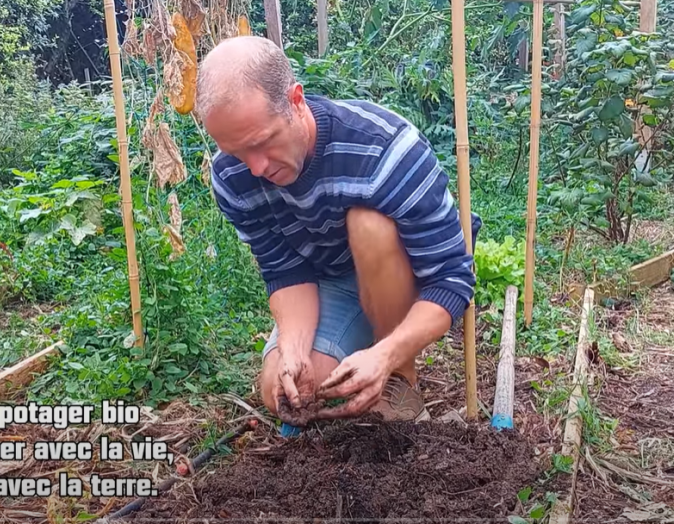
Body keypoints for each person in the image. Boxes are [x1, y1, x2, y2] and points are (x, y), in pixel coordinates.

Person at [194, 36, 481, 424]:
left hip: (404, 268)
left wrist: (387, 354)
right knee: (281, 389)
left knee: (370, 225)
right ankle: (337, 350)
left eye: (262, 143)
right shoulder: (231, 176)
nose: (256, 167)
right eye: (237, 152)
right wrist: (293, 349)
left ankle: (400, 377)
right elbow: (284, 270)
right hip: (331, 277)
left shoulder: (386, 150)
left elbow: (451, 279)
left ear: (296, 101)